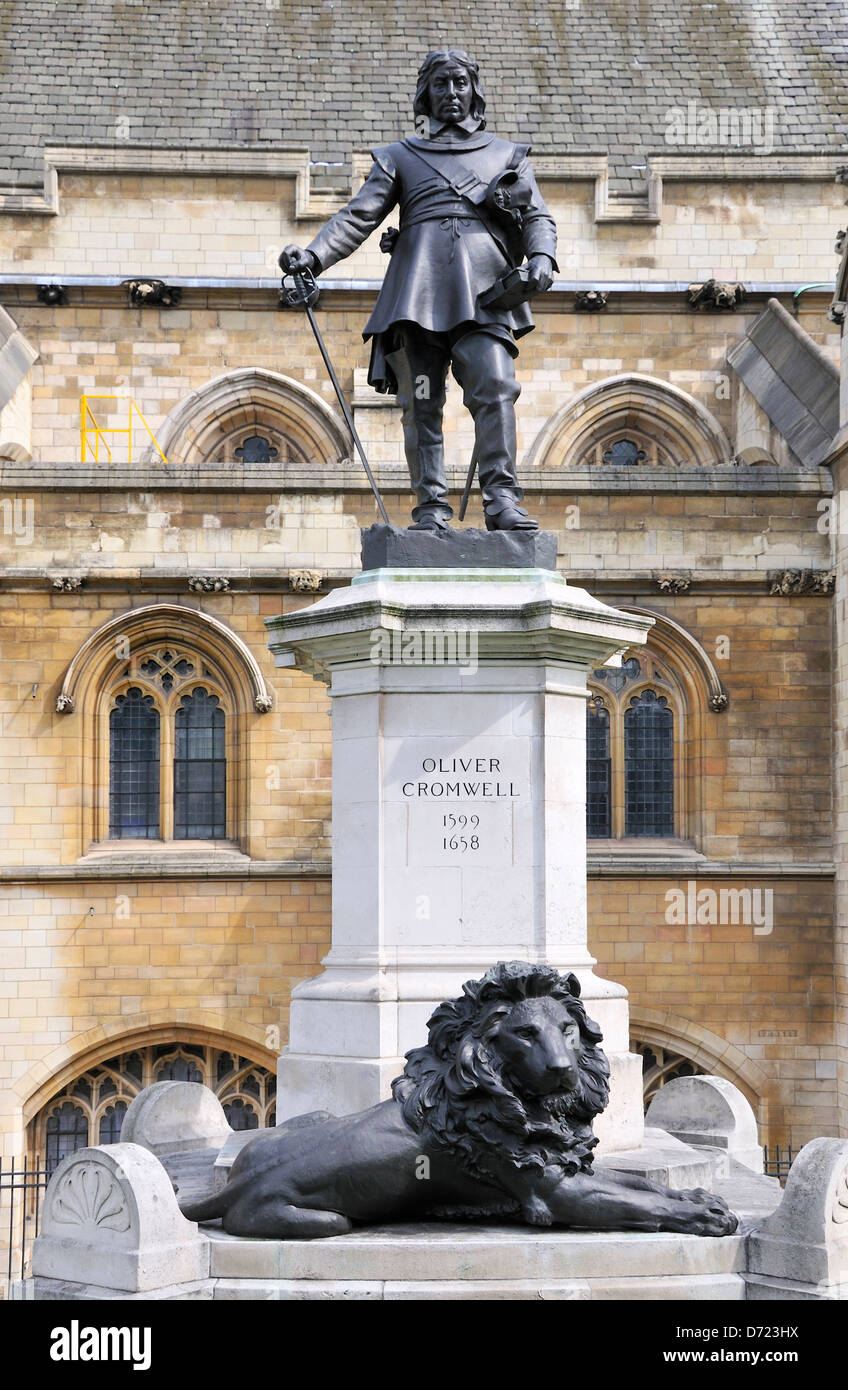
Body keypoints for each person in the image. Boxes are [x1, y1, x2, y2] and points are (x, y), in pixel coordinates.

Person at [281, 49, 557, 532]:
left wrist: (542, 257)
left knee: (494, 387)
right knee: (422, 402)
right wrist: (314, 256)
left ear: (474, 91)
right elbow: (358, 217)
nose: (451, 93)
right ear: (425, 95)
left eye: (460, 84)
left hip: (484, 292)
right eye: (441, 85)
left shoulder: (507, 155)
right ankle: (430, 508)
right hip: (418, 295)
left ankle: (501, 500)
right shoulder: (399, 157)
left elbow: (536, 216)